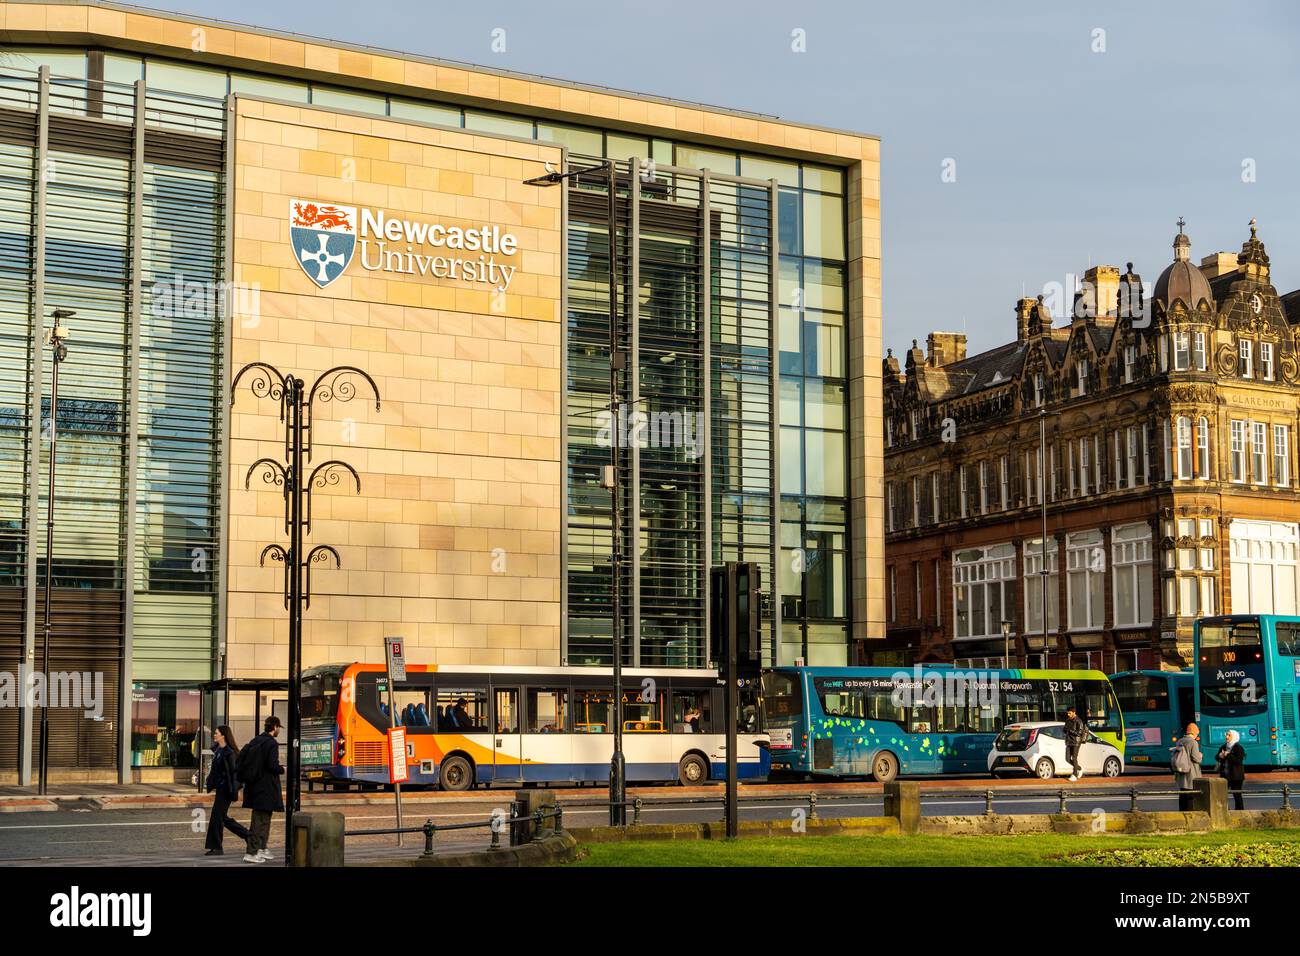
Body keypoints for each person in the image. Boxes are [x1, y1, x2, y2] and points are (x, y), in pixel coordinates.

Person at [238, 715, 284, 864]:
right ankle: (251, 852)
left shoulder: (256, 740)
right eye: (278, 728)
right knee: (260, 821)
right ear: (275, 727)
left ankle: (261, 848)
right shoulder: (271, 743)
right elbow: (272, 765)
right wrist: (282, 769)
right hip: (266, 788)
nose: (278, 731)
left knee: (263, 819)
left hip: (254, 787)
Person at [203, 725, 250, 856]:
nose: (214, 735)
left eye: (216, 733)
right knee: (221, 817)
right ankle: (248, 836)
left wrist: (233, 790)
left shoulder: (230, 753)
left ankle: (217, 848)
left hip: (226, 790)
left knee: (217, 817)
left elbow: (235, 774)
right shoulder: (219, 751)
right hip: (220, 789)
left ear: (223, 735)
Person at [1172, 722, 1203, 811]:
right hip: (1191, 773)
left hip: (1181, 771)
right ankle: (1189, 815)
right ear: (1194, 732)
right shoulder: (1193, 742)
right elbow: (1196, 758)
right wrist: (1200, 755)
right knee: (1191, 796)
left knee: (1183, 794)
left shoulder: (1180, 741)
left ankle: (1182, 813)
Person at [1216, 729, 1247, 810]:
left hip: (1236, 776)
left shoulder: (1238, 748)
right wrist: (1219, 756)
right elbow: (1216, 757)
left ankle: (1239, 811)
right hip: (1224, 775)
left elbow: (1238, 761)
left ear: (1234, 737)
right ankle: (1225, 810)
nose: (1226, 737)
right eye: (1226, 734)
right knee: (1222, 794)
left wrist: (1227, 755)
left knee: (1236, 794)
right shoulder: (1224, 746)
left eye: (1229, 735)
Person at [1063, 706, 1087, 781]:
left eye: (1069, 713)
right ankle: (1079, 768)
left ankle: (1074, 775)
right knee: (1067, 759)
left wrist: (1069, 730)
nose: (1068, 714)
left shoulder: (1078, 721)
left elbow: (1079, 733)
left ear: (1074, 713)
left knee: (1074, 758)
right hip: (1069, 741)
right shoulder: (1067, 720)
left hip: (1076, 742)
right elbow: (1065, 730)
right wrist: (1065, 729)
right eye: (1068, 713)